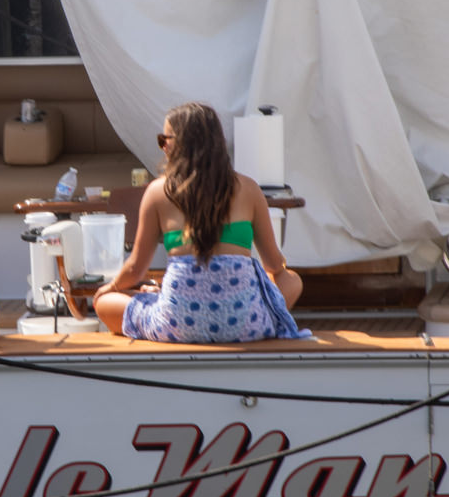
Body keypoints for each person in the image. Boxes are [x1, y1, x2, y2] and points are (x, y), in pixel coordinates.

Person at [93, 102, 307, 342]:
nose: (163, 147)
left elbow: (135, 269)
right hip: (246, 326)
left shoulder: (158, 192)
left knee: (104, 302)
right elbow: (275, 265)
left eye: (164, 140)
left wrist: (110, 288)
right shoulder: (249, 188)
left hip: (177, 326)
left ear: (182, 144)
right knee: (292, 281)